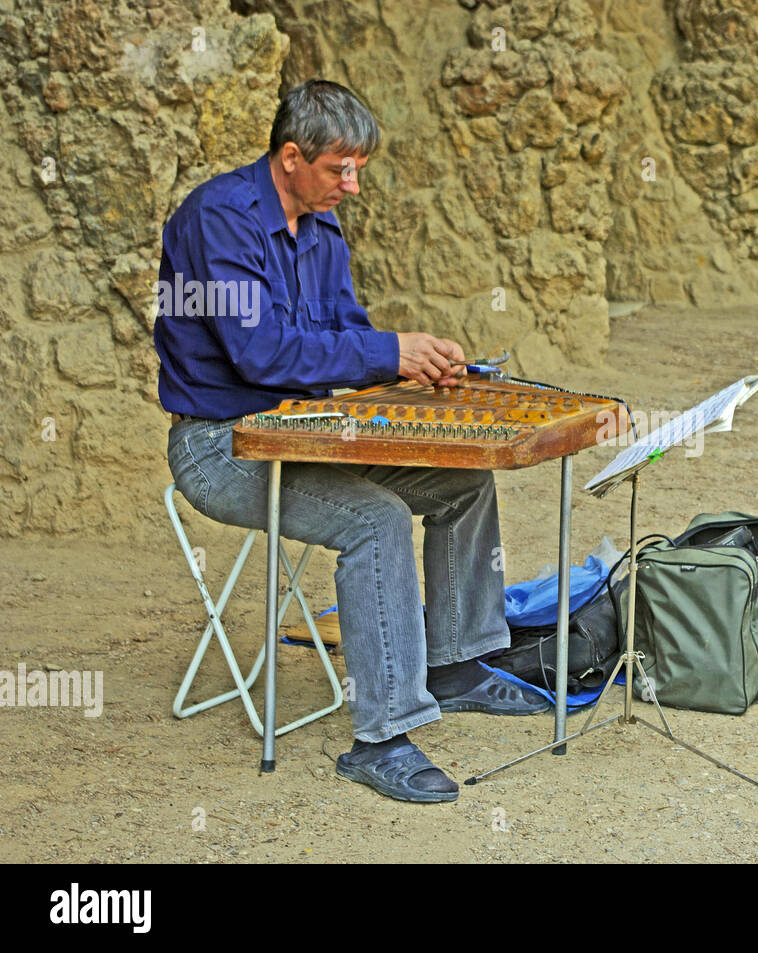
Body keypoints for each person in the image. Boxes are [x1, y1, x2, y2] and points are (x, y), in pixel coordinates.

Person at [155, 79, 548, 805]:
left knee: (460, 480)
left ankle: (456, 663)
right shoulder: (220, 219)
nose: (353, 184)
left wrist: (413, 368)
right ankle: (382, 736)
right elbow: (264, 356)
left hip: (301, 433)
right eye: (340, 168)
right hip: (222, 446)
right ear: (291, 156)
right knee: (376, 519)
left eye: (359, 167)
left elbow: (345, 335)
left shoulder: (322, 224)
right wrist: (387, 352)